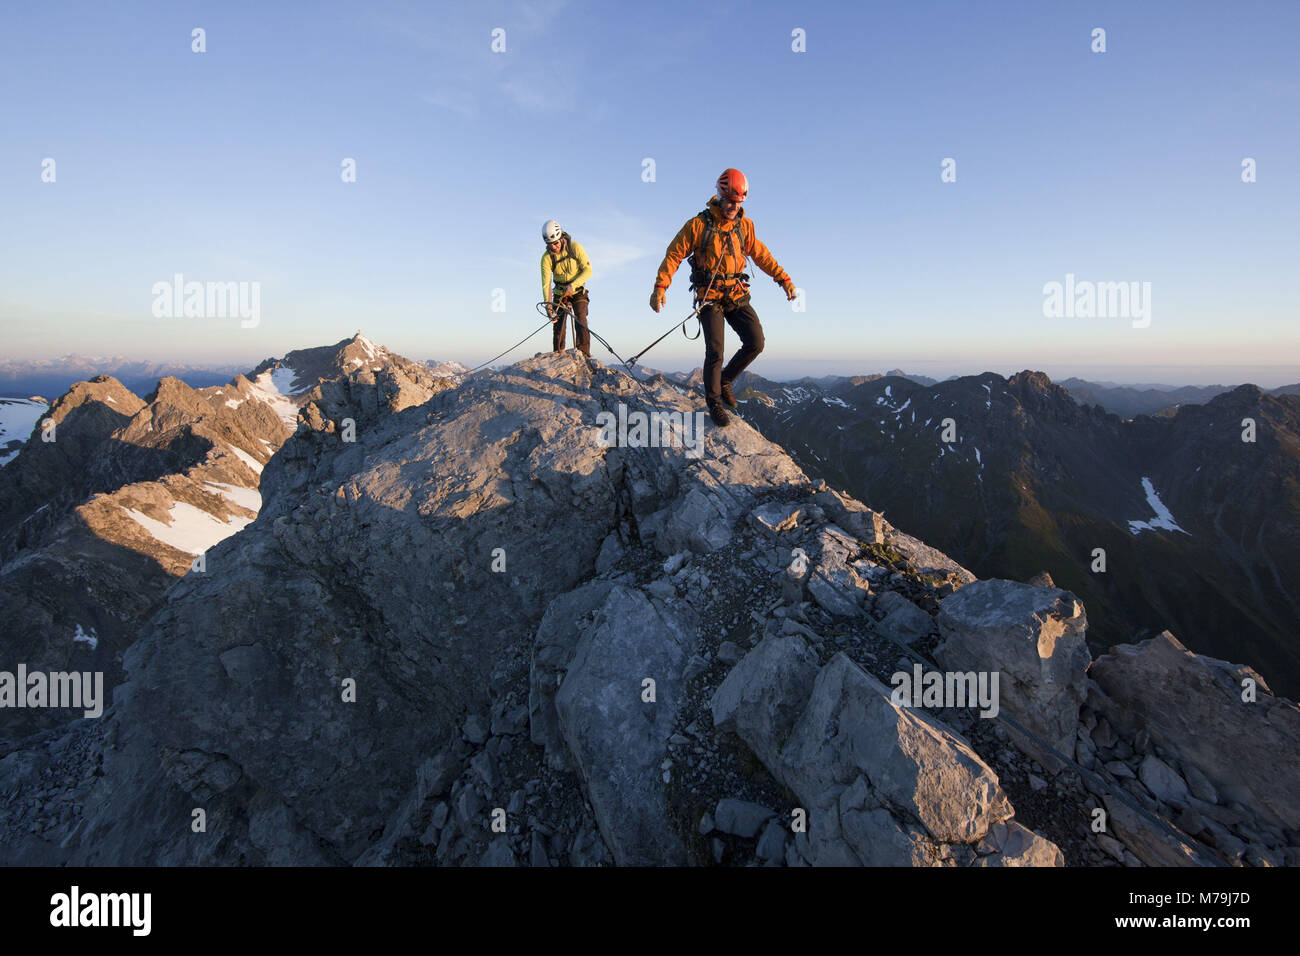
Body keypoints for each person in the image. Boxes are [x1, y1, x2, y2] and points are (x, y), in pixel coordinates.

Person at [650, 169, 796, 426]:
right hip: (710, 296)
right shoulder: (699, 225)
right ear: (719, 195)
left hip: (736, 293)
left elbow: (762, 256)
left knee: (756, 342)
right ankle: (715, 402)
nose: (732, 206)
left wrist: (784, 280)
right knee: (715, 351)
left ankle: (726, 379)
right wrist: (661, 286)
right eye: (729, 200)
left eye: (737, 202)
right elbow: (674, 254)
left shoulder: (745, 227)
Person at [540, 220, 593, 356]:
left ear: (561, 238)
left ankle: (584, 354)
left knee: (581, 318)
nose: (554, 248)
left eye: (556, 243)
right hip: (560, 292)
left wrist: (572, 285)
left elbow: (588, 270)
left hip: (578, 290)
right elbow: (546, 283)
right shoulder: (546, 258)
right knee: (559, 324)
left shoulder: (575, 248)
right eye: (550, 245)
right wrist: (548, 305)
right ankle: (558, 353)